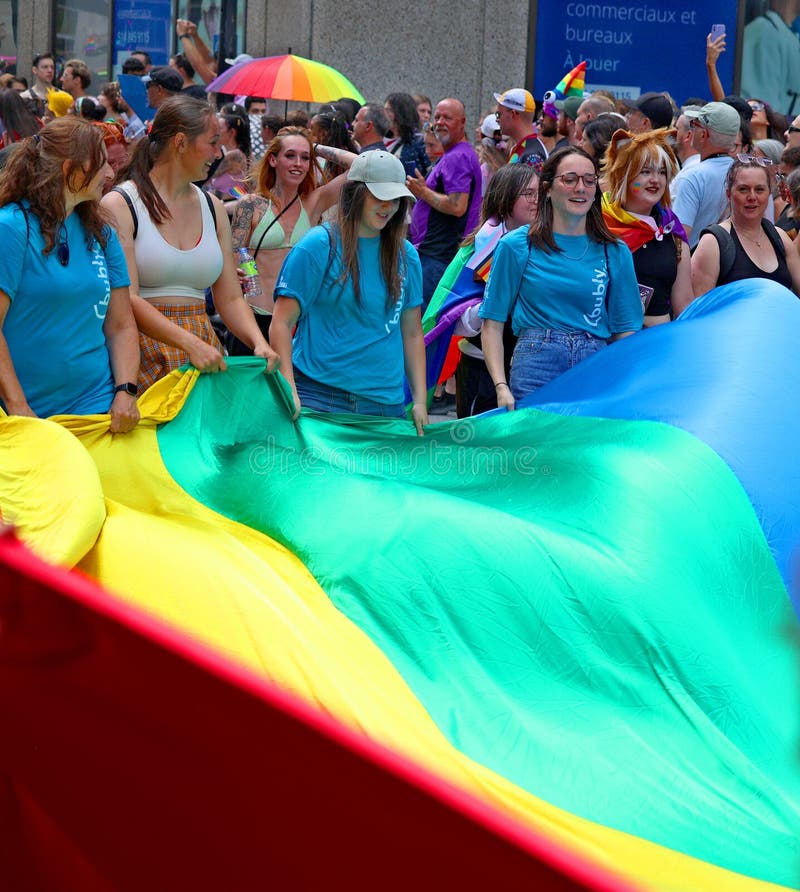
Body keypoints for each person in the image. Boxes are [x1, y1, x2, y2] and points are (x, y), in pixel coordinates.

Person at [102, 95, 279, 392]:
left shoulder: (212, 207)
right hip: (141, 349)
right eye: (212, 142)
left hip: (204, 350)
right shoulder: (122, 203)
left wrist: (259, 342)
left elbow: (231, 298)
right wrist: (189, 342)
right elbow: (127, 298)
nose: (219, 152)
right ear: (181, 142)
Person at [271, 150, 428, 433]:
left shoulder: (407, 255)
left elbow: (413, 332)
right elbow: (281, 323)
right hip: (319, 397)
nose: (388, 207)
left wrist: (419, 400)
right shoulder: (318, 245)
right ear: (355, 193)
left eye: (396, 199)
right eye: (379, 197)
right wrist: (288, 388)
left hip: (385, 405)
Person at [0, 116, 139, 431]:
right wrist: (18, 406)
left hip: (96, 408)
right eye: (101, 163)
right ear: (70, 169)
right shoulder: (10, 227)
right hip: (26, 416)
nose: (110, 173)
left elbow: (120, 324)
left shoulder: (101, 231)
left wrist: (126, 390)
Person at [480, 147, 642, 408]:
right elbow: (492, 323)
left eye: (589, 181)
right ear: (548, 188)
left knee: (584, 447)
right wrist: (501, 385)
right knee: (537, 447)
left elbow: (627, 331)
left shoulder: (615, 250)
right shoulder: (517, 245)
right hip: (536, 366)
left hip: (594, 366)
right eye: (570, 179)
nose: (581, 188)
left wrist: (626, 383)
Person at [425, 163, 540, 417]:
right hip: (481, 370)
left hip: (528, 368)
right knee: (479, 452)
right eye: (528, 194)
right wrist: (492, 304)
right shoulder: (479, 249)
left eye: (540, 194)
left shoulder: (545, 246)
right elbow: (453, 321)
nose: (537, 201)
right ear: (505, 198)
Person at [229, 126, 356, 351]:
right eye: (290, 155)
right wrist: (235, 273)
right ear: (273, 160)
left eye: (304, 158)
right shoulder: (251, 205)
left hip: (298, 322)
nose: (298, 163)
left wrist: (314, 147)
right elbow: (231, 261)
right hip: (254, 319)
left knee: (291, 386)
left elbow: (360, 166)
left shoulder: (314, 202)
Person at [601, 128, 694, 326]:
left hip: (658, 346)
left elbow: (684, 304)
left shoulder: (672, 230)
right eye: (645, 172)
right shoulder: (599, 226)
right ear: (624, 175)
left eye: (661, 172)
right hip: (609, 347)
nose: (655, 180)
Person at [407, 98, 482, 305]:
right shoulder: (455, 154)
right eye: (437, 117)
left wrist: (422, 192)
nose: (439, 122)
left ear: (462, 123)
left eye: (447, 117)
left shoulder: (457, 156)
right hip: (435, 255)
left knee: (423, 327)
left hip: (439, 256)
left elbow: (457, 206)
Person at [691, 156, 800, 296]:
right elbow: (698, 309)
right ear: (729, 194)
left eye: (760, 189)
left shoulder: (780, 238)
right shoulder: (713, 243)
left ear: (768, 194)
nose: (752, 197)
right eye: (743, 189)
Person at [672, 102, 740, 248]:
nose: (692, 130)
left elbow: (679, 237)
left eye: (695, 124)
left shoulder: (693, 177)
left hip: (694, 265)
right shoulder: (747, 173)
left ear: (704, 134)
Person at [493, 87, 547, 164]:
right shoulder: (521, 148)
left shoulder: (532, 156)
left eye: (498, 114)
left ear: (513, 114)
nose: (497, 119)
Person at [383, 92, 429, 178]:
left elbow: (431, 173)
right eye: (384, 110)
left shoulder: (419, 142)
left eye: (389, 110)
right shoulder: (381, 139)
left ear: (402, 113)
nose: (384, 114)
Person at [19, 52, 55, 118]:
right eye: (45, 67)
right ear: (35, 70)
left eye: (52, 67)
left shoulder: (62, 96)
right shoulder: (25, 97)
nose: (50, 70)